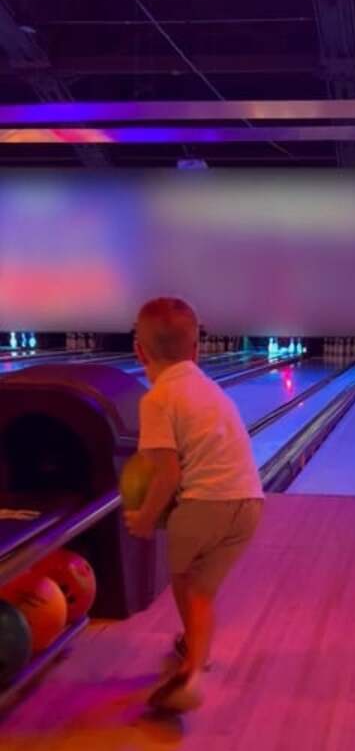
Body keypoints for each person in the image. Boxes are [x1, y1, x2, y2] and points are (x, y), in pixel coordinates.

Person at [124, 297, 263, 711]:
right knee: (203, 589)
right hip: (249, 503)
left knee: (189, 587)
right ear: (197, 349)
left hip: (203, 505)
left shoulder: (157, 399)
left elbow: (168, 474)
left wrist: (146, 517)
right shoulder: (210, 387)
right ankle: (193, 647)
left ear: (139, 351)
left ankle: (191, 674)